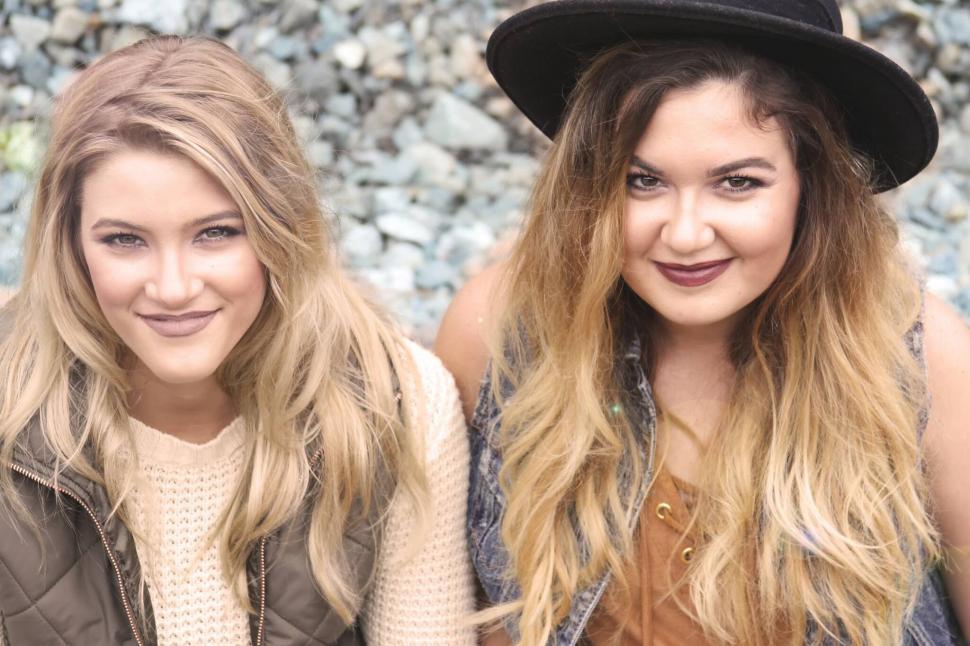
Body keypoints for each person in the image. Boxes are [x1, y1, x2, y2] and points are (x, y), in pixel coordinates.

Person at [435, 1, 970, 644]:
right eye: (642, 181)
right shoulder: (501, 331)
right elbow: (459, 607)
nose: (686, 235)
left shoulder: (921, 359)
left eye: (737, 183)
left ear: (811, 186)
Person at [0, 36, 475, 645]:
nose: (173, 288)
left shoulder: (400, 400)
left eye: (216, 233)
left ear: (280, 225)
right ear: (70, 245)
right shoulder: (12, 411)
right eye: (124, 240)